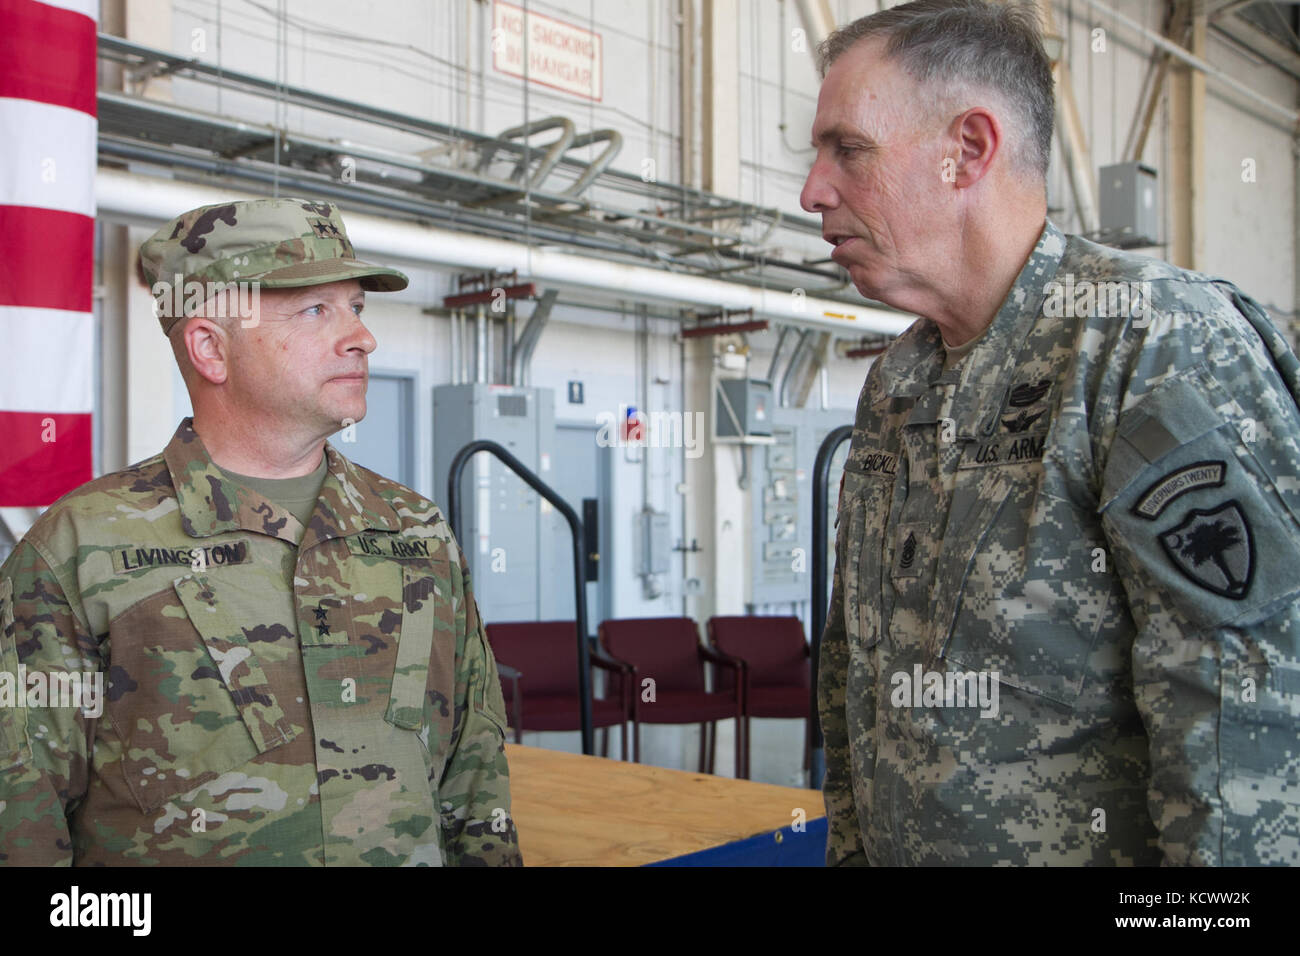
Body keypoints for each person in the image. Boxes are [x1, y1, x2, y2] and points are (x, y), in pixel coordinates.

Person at [803, 0, 1300, 865]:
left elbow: (1242, 721)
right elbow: (857, 679)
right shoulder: (899, 382)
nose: (813, 190)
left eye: (847, 149)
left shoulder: (1150, 342)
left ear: (968, 150)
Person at [0, 198, 522, 866]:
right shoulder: (81, 550)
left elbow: (475, 772)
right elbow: (22, 813)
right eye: (315, 310)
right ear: (211, 349)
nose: (362, 338)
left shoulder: (414, 532)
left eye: (356, 307)